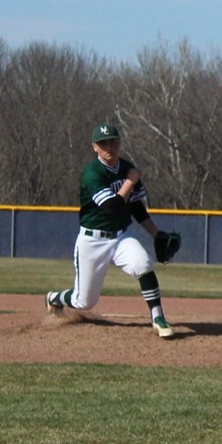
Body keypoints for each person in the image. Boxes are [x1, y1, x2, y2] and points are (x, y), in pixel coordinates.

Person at [44, 122, 178, 338]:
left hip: (121, 237)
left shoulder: (126, 167)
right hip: (92, 241)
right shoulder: (92, 174)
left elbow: (134, 207)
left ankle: (158, 317)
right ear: (94, 147)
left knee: (143, 264)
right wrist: (131, 180)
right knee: (84, 301)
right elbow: (113, 207)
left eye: (112, 141)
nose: (108, 146)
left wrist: (156, 233)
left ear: (119, 143)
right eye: (102, 143)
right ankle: (54, 298)